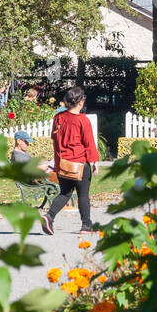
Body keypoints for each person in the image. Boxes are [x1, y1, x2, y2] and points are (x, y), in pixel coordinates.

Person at [40, 86, 99, 239]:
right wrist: (94, 162)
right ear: (80, 102)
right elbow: (89, 143)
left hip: (63, 163)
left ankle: (49, 216)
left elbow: (55, 139)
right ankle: (86, 226)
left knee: (65, 193)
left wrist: (57, 162)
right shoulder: (82, 120)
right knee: (83, 195)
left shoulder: (58, 118)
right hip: (79, 163)